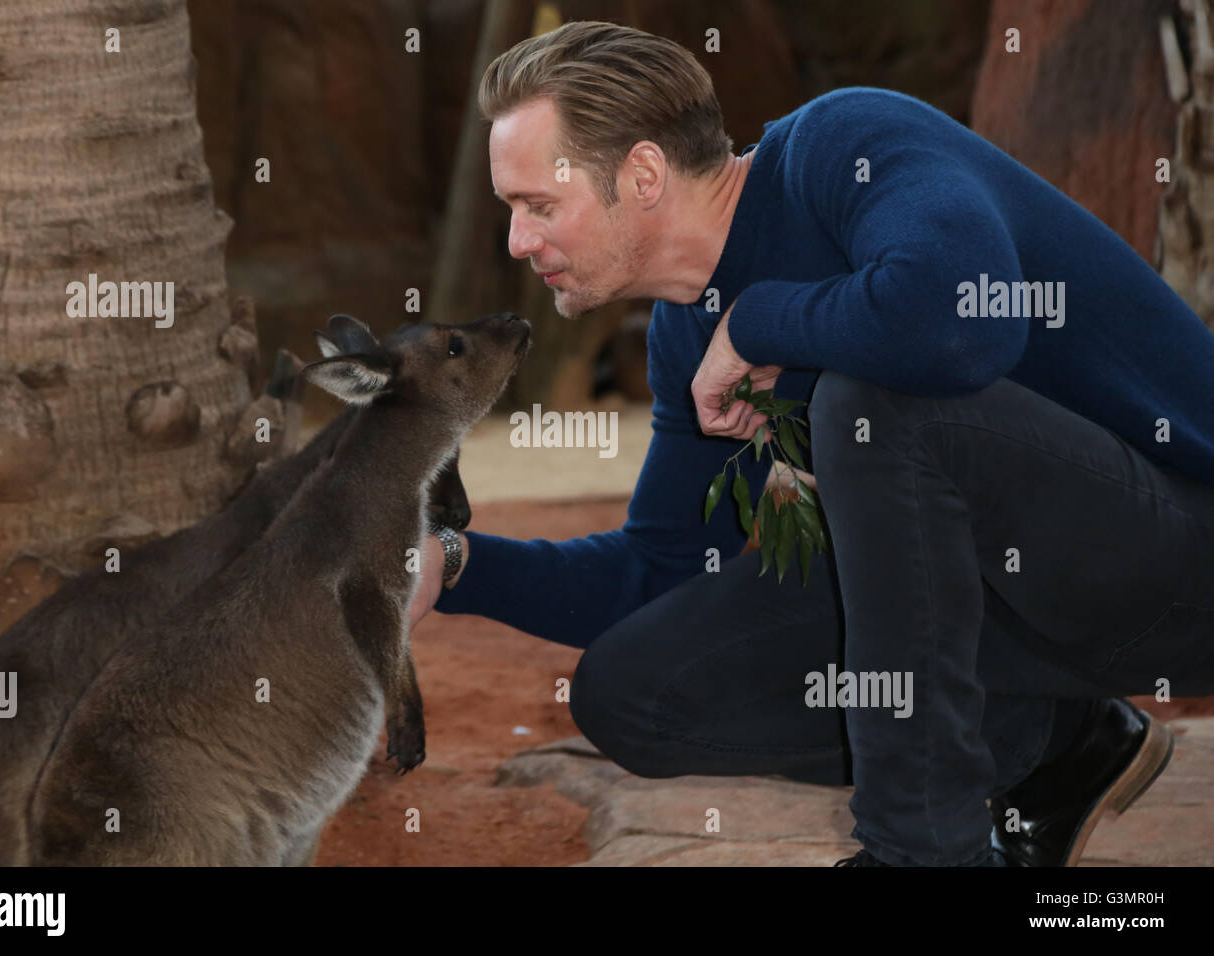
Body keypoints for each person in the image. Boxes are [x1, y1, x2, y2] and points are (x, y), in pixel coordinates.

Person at [410, 20, 1214, 867]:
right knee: (635, 688)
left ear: (642, 174)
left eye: (539, 206)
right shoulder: (686, 334)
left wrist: (761, 322)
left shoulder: (842, 147)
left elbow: (962, 323)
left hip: (1181, 561)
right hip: (1029, 619)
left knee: (878, 409)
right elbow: (662, 572)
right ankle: (1056, 747)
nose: (518, 242)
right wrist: (455, 561)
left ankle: (923, 852)